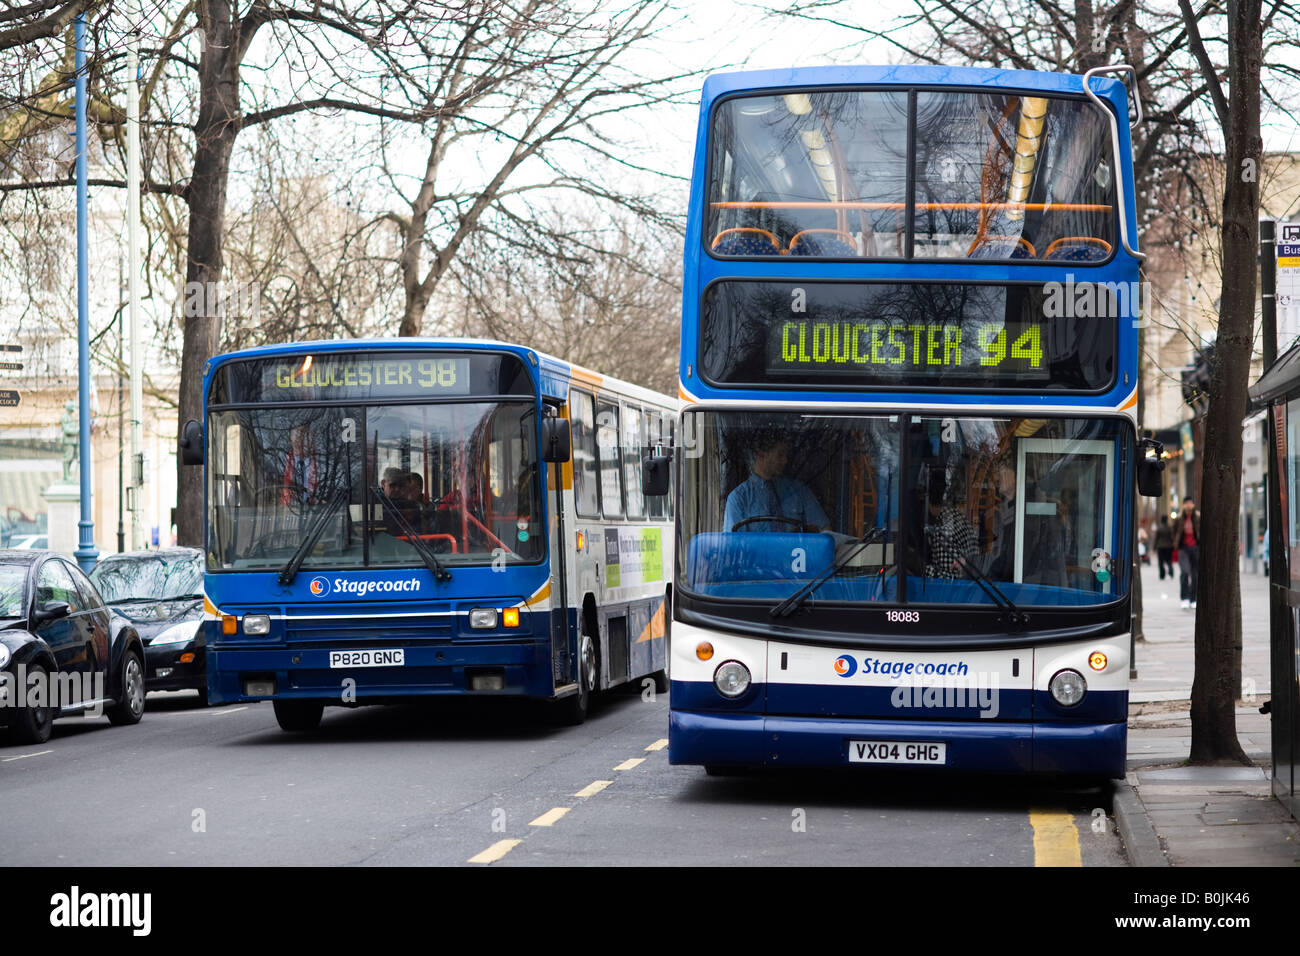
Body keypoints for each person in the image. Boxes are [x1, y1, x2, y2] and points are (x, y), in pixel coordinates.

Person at [724, 433, 830, 533]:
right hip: (758, 553)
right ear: (761, 455)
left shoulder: (799, 491)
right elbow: (734, 546)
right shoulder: (739, 499)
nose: (785, 461)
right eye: (780, 455)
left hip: (796, 552)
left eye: (785, 455)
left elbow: (825, 531)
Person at [923, 472, 977, 580]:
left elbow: (951, 576)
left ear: (929, 504)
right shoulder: (959, 520)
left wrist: (925, 571)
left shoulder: (943, 530)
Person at [1176, 496, 1200, 609]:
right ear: (1184, 505)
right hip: (1183, 548)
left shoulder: (1197, 517)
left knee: (1195, 575)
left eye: (1191, 503)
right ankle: (1184, 598)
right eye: (1187, 503)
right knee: (1185, 572)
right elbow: (1174, 531)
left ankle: (1193, 599)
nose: (1189, 505)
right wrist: (1175, 542)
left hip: (1195, 548)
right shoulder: (1180, 518)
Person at [1154, 514, 1174, 580]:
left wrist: (1154, 546)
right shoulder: (1170, 528)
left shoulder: (1159, 528)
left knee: (1161, 562)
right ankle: (1171, 571)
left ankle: (1162, 574)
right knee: (1169, 561)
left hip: (1161, 547)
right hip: (1169, 546)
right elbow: (1172, 537)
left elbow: (1156, 538)